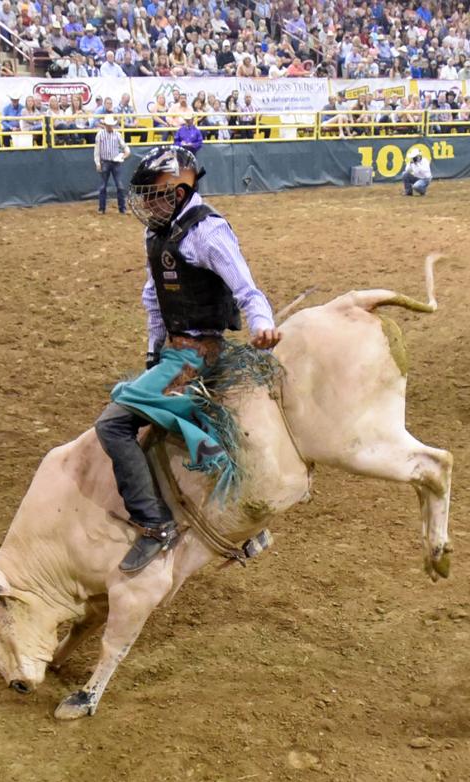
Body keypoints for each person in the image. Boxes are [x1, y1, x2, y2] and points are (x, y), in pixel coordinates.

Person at [94, 147, 280, 573]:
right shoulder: (158, 233)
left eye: (152, 195)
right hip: (174, 353)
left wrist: (262, 323)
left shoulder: (208, 232)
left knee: (113, 424)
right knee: (144, 418)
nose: (145, 204)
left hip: (200, 353)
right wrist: (150, 353)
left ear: (179, 193)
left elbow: (247, 289)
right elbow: (154, 299)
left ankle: (155, 523)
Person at [94, 116, 130, 214]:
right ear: (105, 125)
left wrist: (126, 152)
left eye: (111, 125)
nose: (110, 127)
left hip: (116, 162)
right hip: (105, 161)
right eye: (109, 125)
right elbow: (97, 150)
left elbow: (124, 146)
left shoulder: (117, 134)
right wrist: (97, 163)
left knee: (120, 186)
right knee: (103, 187)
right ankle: (102, 208)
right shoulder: (100, 135)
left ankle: (122, 208)